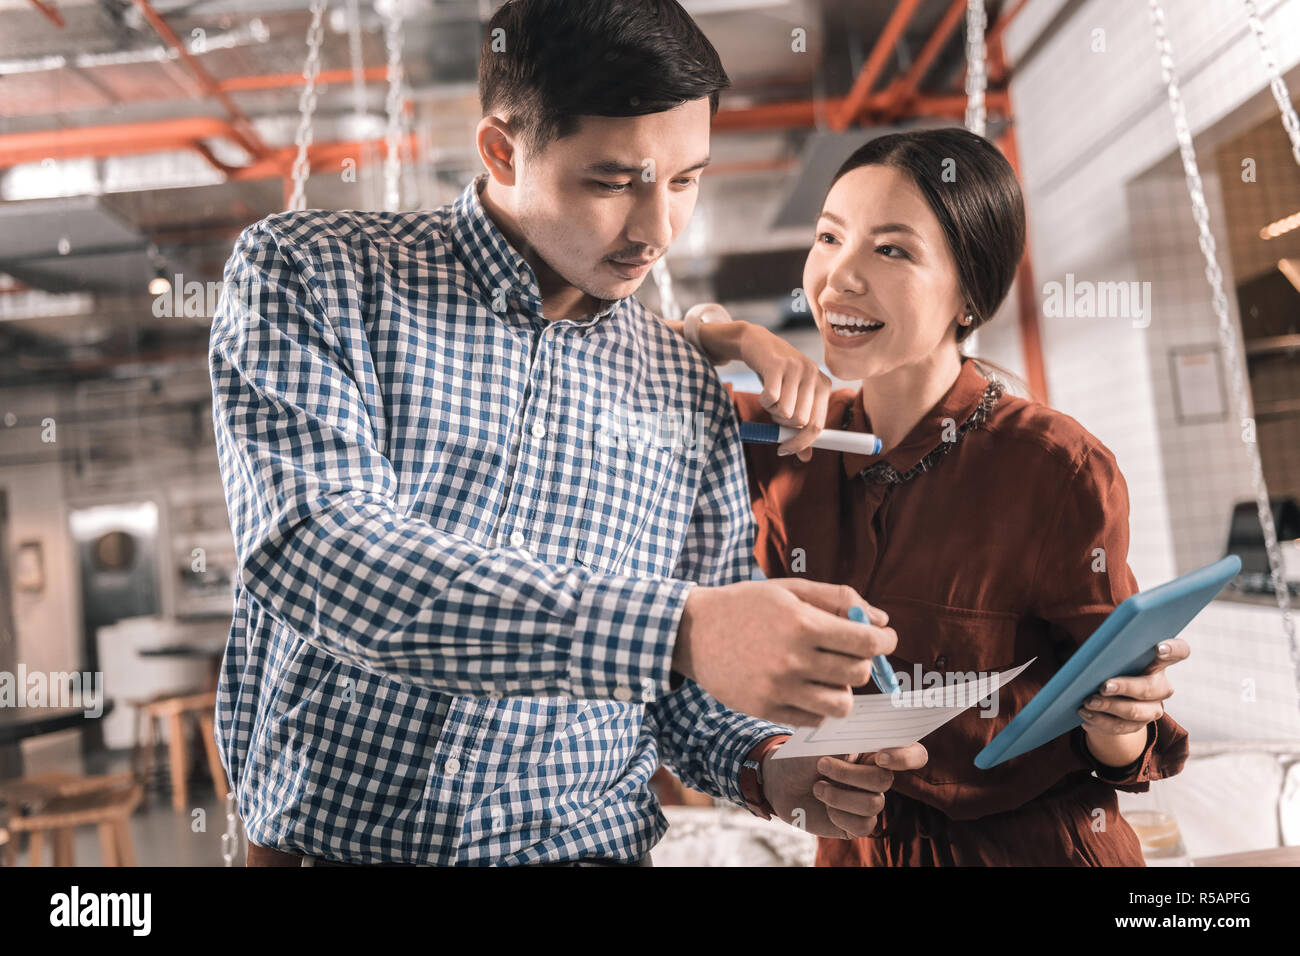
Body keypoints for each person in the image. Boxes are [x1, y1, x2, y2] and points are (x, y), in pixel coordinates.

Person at [208, 0, 923, 867]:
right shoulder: (310, 276)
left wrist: (773, 768)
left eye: (687, 179)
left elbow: (686, 697)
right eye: (614, 181)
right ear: (504, 149)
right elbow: (321, 555)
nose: (658, 229)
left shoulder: (682, 379)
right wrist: (680, 630)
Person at [672, 127, 1191, 866]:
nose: (838, 278)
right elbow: (601, 358)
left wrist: (1121, 728)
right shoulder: (786, 443)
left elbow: (1114, 729)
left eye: (892, 250)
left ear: (969, 295)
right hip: (853, 847)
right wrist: (723, 335)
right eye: (828, 238)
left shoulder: (1053, 465)